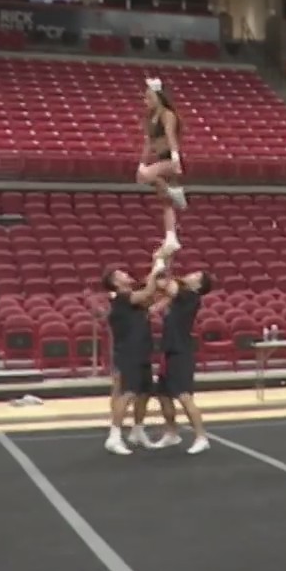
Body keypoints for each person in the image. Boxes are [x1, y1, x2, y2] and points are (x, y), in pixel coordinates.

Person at [102, 250, 163, 456]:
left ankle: (137, 430)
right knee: (127, 393)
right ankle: (114, 435)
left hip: (143, 350)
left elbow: (151, 296)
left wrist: (159, 267)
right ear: (115, 282)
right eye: (121, 274)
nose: (127, 274)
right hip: (129, 352)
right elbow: (147, 293)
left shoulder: (134, 299)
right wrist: (157, 266)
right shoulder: (121, 297)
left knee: (144, 393)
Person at [152, 266, 216, 454]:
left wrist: (162, 260)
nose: (191, 273)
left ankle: (201, 437)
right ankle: (171, 433)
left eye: (196, 275)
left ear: (199, 286)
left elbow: (166, 284)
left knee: (184, 396)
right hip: (168, 350)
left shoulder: (190, 296)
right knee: (163, 395)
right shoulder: (179, 296)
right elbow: (162, 287)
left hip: (181, 352)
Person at [136, 77, 187, 251]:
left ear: (159, 97)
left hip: (169, 158)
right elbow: (148, 143)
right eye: (145, 98)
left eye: (149, 98)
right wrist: (142, 163)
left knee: (145, 177)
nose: (146, 101)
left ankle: (174, 192)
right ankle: (171, 236)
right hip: (160, 159)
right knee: (165, 203)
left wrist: (175, 158)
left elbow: (171, 136)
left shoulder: (167, 114)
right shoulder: (149, 118)